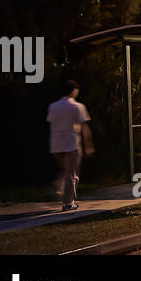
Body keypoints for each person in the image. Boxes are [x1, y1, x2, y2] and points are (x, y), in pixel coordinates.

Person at [47, 79, 94, 211]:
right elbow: (84, 127)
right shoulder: (78, 107)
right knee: (72, 174)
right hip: (71, 144)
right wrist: (89, 145)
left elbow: (52, 123)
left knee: (67, 172)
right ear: (74, 91)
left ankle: (61, 188)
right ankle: (68, 202)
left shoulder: (53, 106)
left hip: (56, 144)